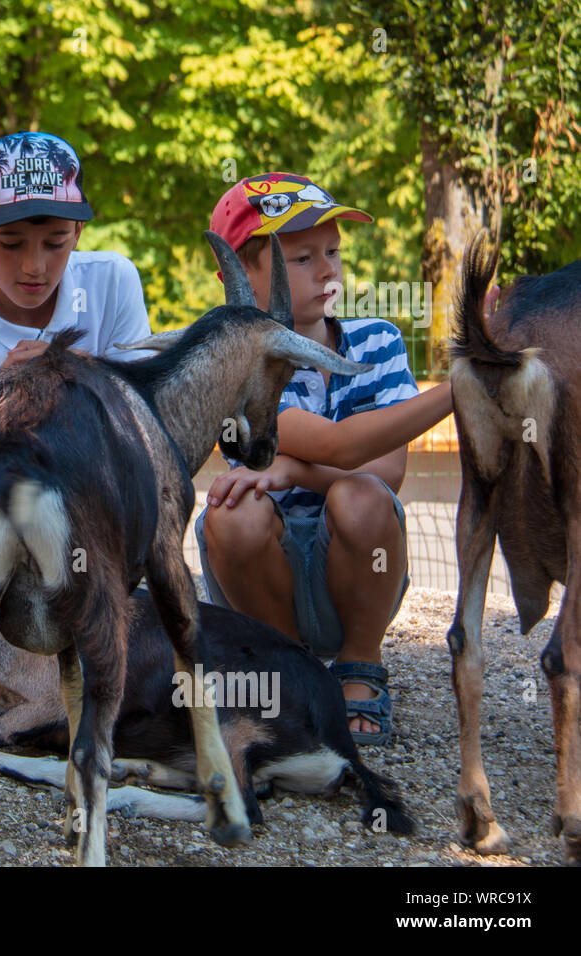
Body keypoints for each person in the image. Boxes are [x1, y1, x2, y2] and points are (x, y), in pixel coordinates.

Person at [195, 171, 460, 746]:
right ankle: (292, 672)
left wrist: (290, 470)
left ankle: (360, 667)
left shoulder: (378, 340)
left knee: (364, 496)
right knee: (232, 514)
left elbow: (387, 470)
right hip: (265, 576)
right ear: (239, 276)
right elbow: (345, 447)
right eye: (301, 258)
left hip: (359, 569)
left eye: (334, 252)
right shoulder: (237, 366)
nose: (328, 271)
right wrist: (462, 385)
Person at [0, 131, 154, 562]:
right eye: (10, 243)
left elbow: (148, 425)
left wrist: (76, 371)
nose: (34, 266)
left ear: (78, 231)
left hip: (103, 526)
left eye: (55, 242)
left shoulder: (114, 281)